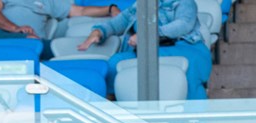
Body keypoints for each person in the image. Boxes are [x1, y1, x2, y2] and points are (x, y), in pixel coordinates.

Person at [77, 0, 211, 100]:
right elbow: (116, 23)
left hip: (184, 48)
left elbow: (183, 24)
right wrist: (99, 32)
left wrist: (147, 34)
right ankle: (113, 108)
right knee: (115, 62)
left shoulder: (185, 2)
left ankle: (194, 121)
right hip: (148, 50)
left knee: (189, 70)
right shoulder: (139, 5)